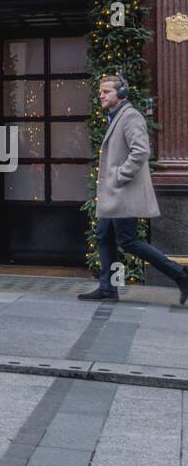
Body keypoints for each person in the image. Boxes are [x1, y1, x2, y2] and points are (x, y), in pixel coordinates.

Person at [79, 71, 188, 305]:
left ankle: (181, 275)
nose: (102, 96)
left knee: (128, 240)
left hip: (123, 192)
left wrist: (119, 175)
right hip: (115, 194)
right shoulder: (116, 116)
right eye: (100, 92)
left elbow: (140, 151)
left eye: (106, 91)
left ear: (121, 93)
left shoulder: (130, 116)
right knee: (103, 235)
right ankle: (108, 289)